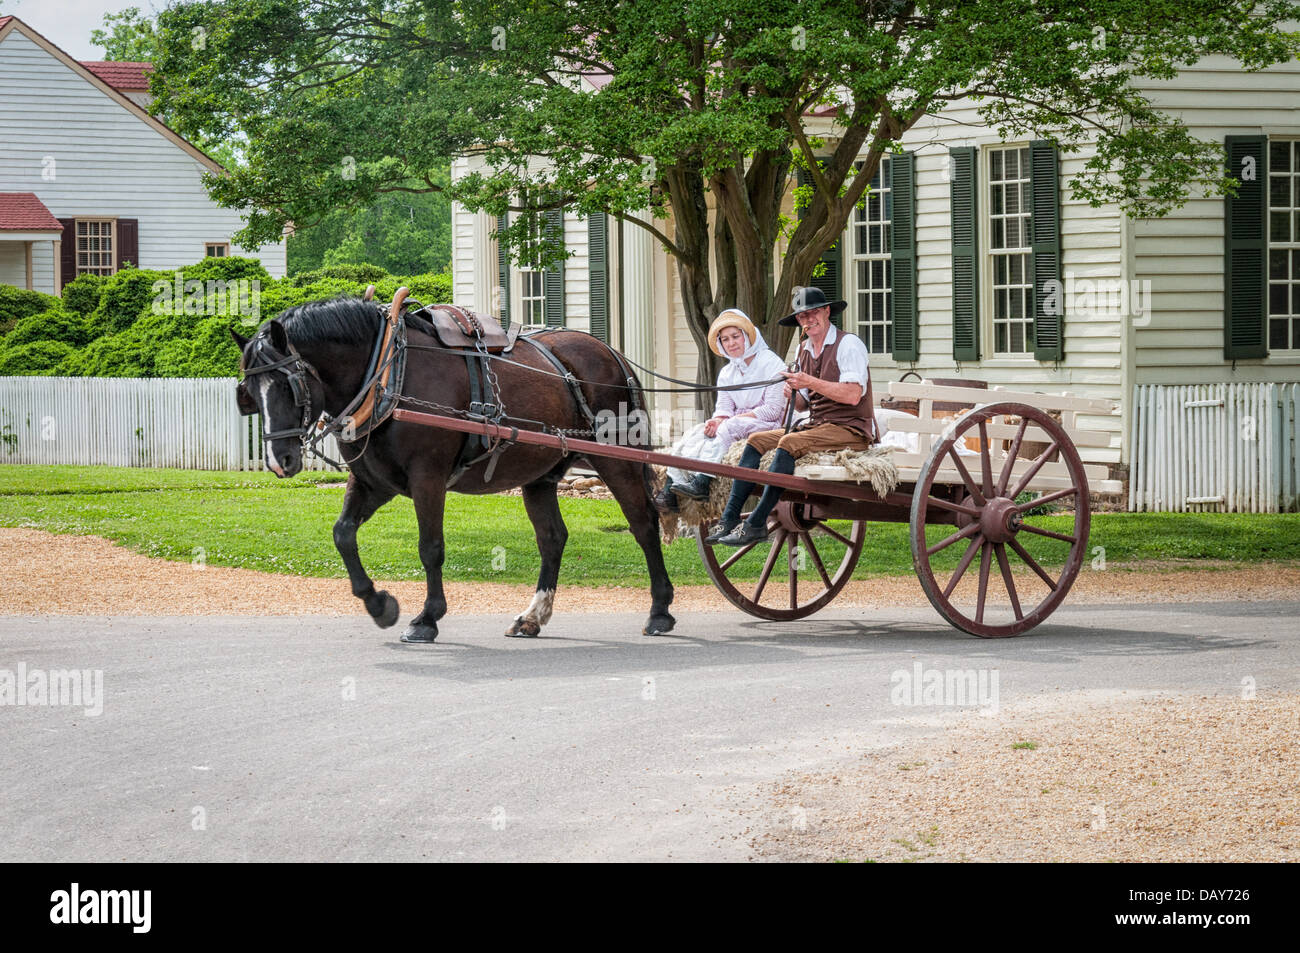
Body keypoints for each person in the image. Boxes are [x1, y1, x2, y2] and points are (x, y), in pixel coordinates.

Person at [708, 286, 878, 545]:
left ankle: (756, 523)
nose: (809, 320)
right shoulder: (803, 351)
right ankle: (730, 518)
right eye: (802, 316)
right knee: (757, 440)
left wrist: (808, 380)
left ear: (827, 311)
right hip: (816, 425)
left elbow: (853, 395)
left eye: (814, 313)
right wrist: (792, 393)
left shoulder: (848, 344)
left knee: (788, 442)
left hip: (850, 428)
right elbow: (802, 406)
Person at [653, 309, 787, 511]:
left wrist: (728, 421)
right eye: (725, 339)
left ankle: (703, 481)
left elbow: (773, 410)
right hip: (735, 423)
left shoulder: (771, 363)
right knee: (695, 432)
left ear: (747, 337)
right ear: (720, 344)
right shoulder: (727, 372)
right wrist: (716, 421)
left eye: (735, 336)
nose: (731, 343)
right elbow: (724, 408)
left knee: (731, 425)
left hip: (767, 423)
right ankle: (670, 490)